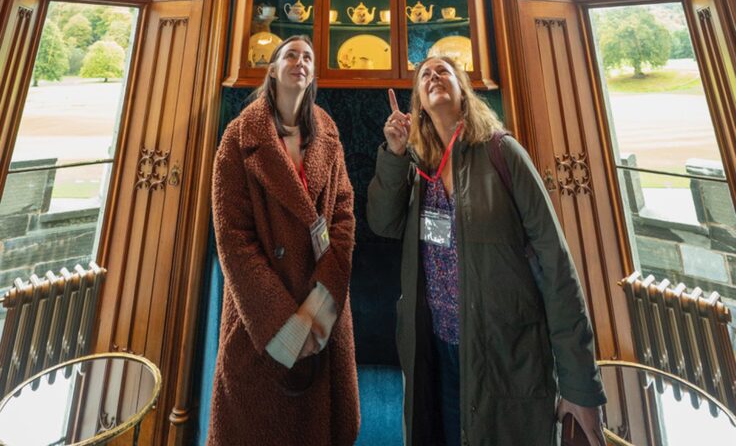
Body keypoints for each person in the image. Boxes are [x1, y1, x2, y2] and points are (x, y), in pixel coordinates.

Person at [367, 54, 606, 446]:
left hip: (503, 356)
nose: (434, 76)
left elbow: (556, 264)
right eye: (425, 74)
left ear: (463, 90)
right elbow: (383, 222)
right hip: (436, 353)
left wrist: (580, 383)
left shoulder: (502, 153)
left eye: (444, 70)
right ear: (418, 105)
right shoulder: (419, 168)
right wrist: (394, 155)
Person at [207, 35, 359, 446]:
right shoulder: (238, 139)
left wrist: (320, 308)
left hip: (324, 305)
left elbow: (344, 216)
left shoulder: (328, 132)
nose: (300, 61)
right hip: (263, 318)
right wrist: (286, 328)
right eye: (290, 54)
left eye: (308, 56)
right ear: (272, 69)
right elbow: (233, 241)